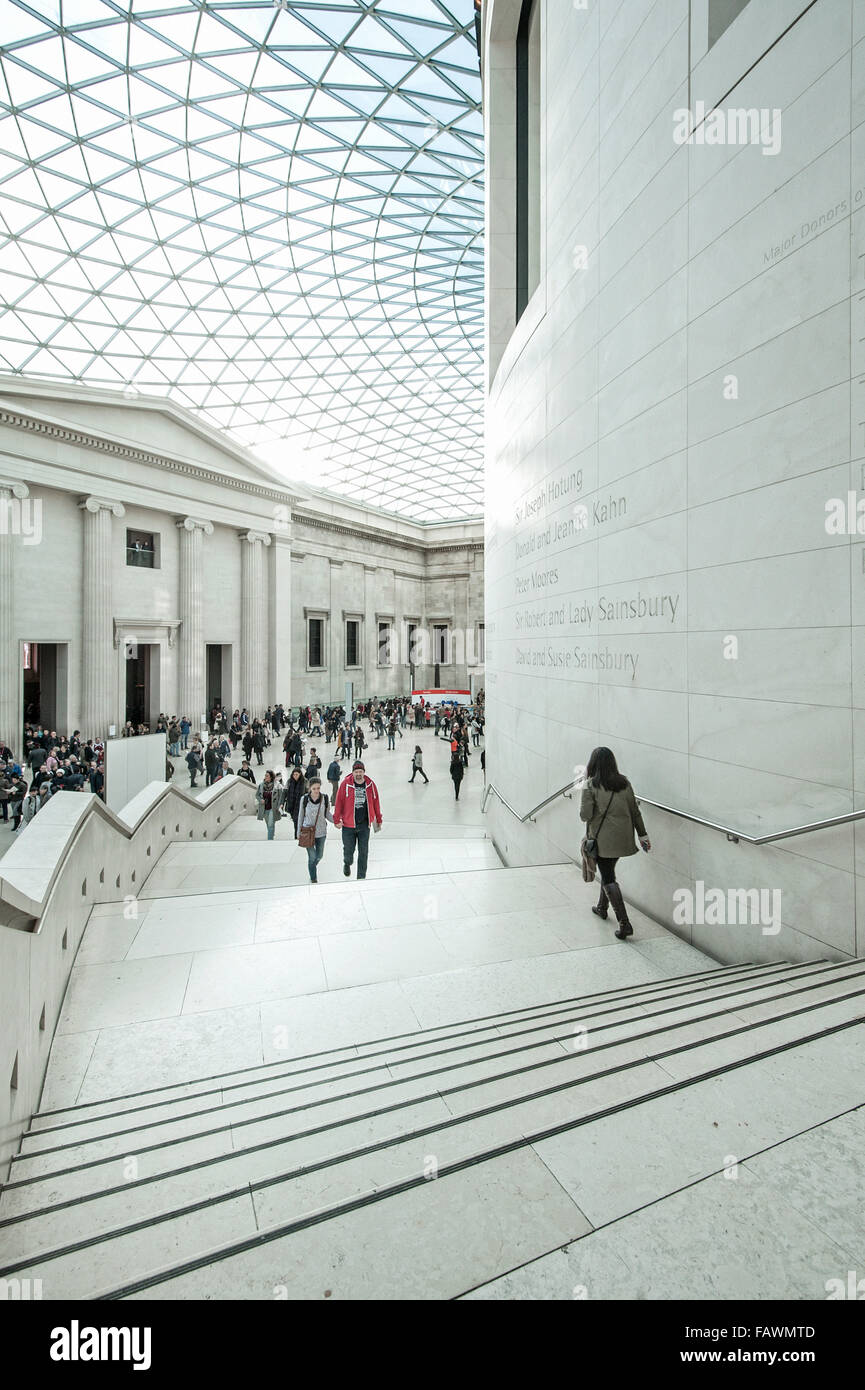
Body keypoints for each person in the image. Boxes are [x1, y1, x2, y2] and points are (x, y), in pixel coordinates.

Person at [579, 746, 650, 940]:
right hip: (624, 838)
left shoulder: (590, 785)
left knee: (609, 878)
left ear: (592, 764)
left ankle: (624, 923)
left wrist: (585, 794)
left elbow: (584, 816)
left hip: (602, 841)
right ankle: (602, 907)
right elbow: (635, 811)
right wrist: (643, 836)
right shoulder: (624, 783)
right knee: (607, 870)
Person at [333, 760, 382, 880]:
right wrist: (336, 819)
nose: (358, 774)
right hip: (348, 826)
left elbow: (376, 802)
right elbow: (338, 801)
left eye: (360, 771)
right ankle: (347, 863)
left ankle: (361, 877)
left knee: (363, 852)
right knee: (349, 850)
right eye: (356, 772)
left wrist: (378, 818)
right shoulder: (345, 784)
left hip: (364, 826)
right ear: (353, 772)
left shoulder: (370, 784)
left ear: (364, 772)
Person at [295, 776, 334, 883]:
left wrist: (336, 821)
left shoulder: (324, 798)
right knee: (312, 857)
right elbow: (300, 816)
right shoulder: (304, 799)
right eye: (314, 789)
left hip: (321, 833)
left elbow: (327, 814)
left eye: (318, 788)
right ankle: (313, 878)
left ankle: (312, 867)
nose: (316, 791)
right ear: (310, 788)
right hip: (308, 832)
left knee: (319, 855)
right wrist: (298, 832)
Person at [256, 769, 283, 841]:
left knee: (271, 824)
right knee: (268, 824)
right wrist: (260, 800)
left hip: (273, 808)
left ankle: (270, 840)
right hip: (264, 808)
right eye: (265, 775)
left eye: (267, 776)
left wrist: (280, 805)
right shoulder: (261, 785)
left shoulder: (277, 785)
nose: (265, 777)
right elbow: (257, 795)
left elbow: (281, 796)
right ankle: (271, 833)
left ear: (271, 777)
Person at [283, 765, 306, 836]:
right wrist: (282, 803)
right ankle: (297, 835)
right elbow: (284, 793)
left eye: (297, 774)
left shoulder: (305, 782)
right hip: (292, 805)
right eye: (294, 774)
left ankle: (298, 835)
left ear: (300, 774)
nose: (295, 776)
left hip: (301, 805)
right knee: (295, 821)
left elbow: (308, 793)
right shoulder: (289, 782)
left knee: (298, 821)